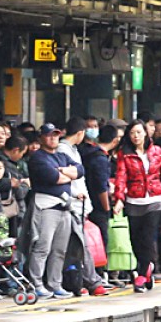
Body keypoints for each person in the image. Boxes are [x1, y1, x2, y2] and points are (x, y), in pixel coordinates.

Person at [114, 121, 161, 292]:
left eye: (139, 132)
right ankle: (147, 272)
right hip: (134, 200)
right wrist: (119, 199)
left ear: (146, 134)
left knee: (148, 238)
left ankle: (141, 276)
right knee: (135, 240)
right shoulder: (124, 154)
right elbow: (121, 177)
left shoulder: (156, 151)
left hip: (154, 199)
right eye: (133, 133)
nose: (136, 136)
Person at [26, 123, 81, 299]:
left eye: (56, 135)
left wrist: (64, 172)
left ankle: (55, 284)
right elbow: (52, 177)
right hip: (46, 207)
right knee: (42, 247)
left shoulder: (62, 156)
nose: (53, 138)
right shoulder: (37, 158)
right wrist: (66, 176)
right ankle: (37, 284)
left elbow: (80, 170)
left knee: (60, 249)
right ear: (41, 137)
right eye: (49, 135)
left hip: (64, 207)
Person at [57, 118, 107, 296]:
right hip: (71, 205)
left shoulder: (73, 150)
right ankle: (92, 282)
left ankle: (77, 282)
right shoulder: (63, 150)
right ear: (80, 133)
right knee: (81, 245)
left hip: (79, 205)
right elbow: (69, 178)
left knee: (73, 247)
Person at [81, 123, 116, 252]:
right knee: (100, 241)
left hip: (86, 203)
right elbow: (102, 187)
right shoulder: (100, 159)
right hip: (98, 207)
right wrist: (107, 208)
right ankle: (99, 270)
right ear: (115, 140)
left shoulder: (87, 153)